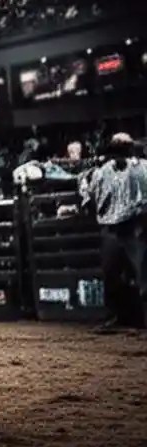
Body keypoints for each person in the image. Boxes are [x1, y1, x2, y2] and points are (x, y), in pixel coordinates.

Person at [80, 132, 147, 330]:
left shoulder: (140, 167)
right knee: (114, 275)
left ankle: (134, 318)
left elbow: (89, 200)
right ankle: (121, 317)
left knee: (141, 274)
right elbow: (90, 198)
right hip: (120, 228)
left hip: (136, 226)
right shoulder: (102, 172)